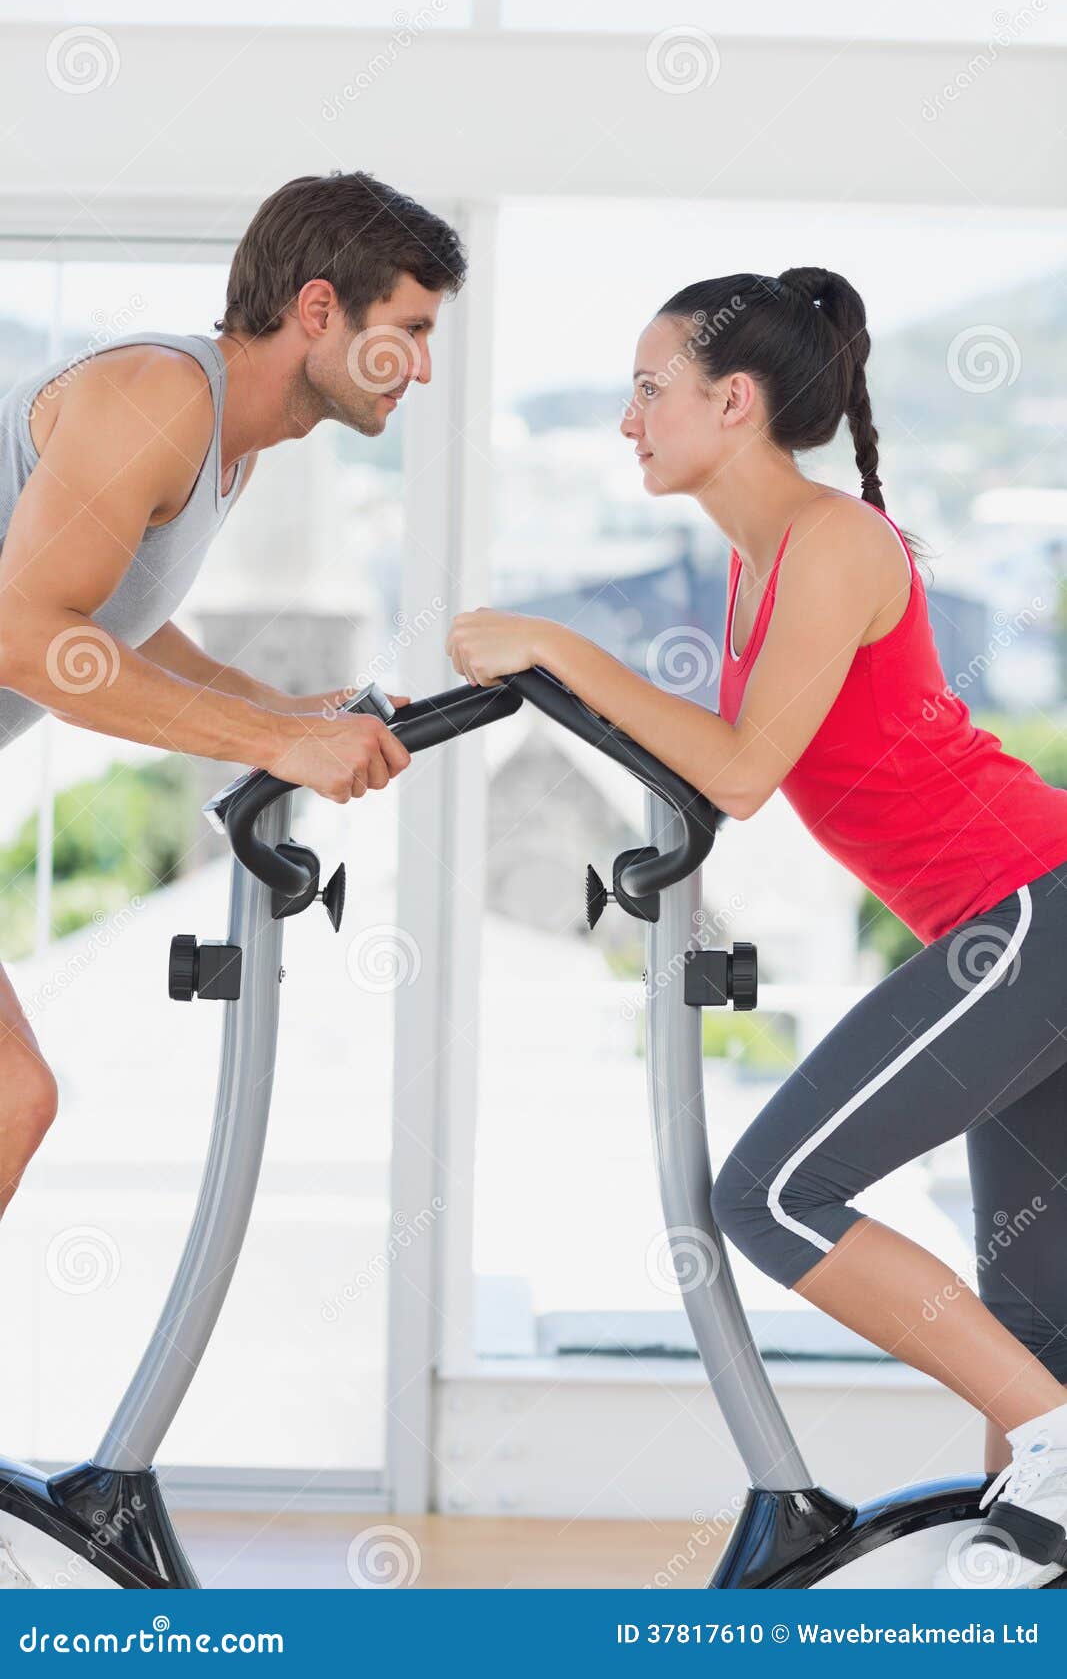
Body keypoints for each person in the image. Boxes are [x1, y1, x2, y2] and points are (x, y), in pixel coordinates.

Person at [446, 266, 1067, 1589]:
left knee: (771, 1195)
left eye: (645, 389)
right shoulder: (754, 565)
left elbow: (739, 767)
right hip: (1010, 913)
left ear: (731, 401)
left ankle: (1057, 1453)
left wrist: (554, 647)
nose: (625, 421)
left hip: (1023, 906)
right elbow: (737, 757)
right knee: (1030, 1292)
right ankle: (1037, 1537)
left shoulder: (830, 541)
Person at [0, 169, 468, 1216]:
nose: (423, 369)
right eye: (408, 329)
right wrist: (271, 737)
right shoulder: (157, 396)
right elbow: (27, 637)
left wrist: (288, 715)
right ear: (316, 310)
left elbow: (115, 618)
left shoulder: (231, 447)